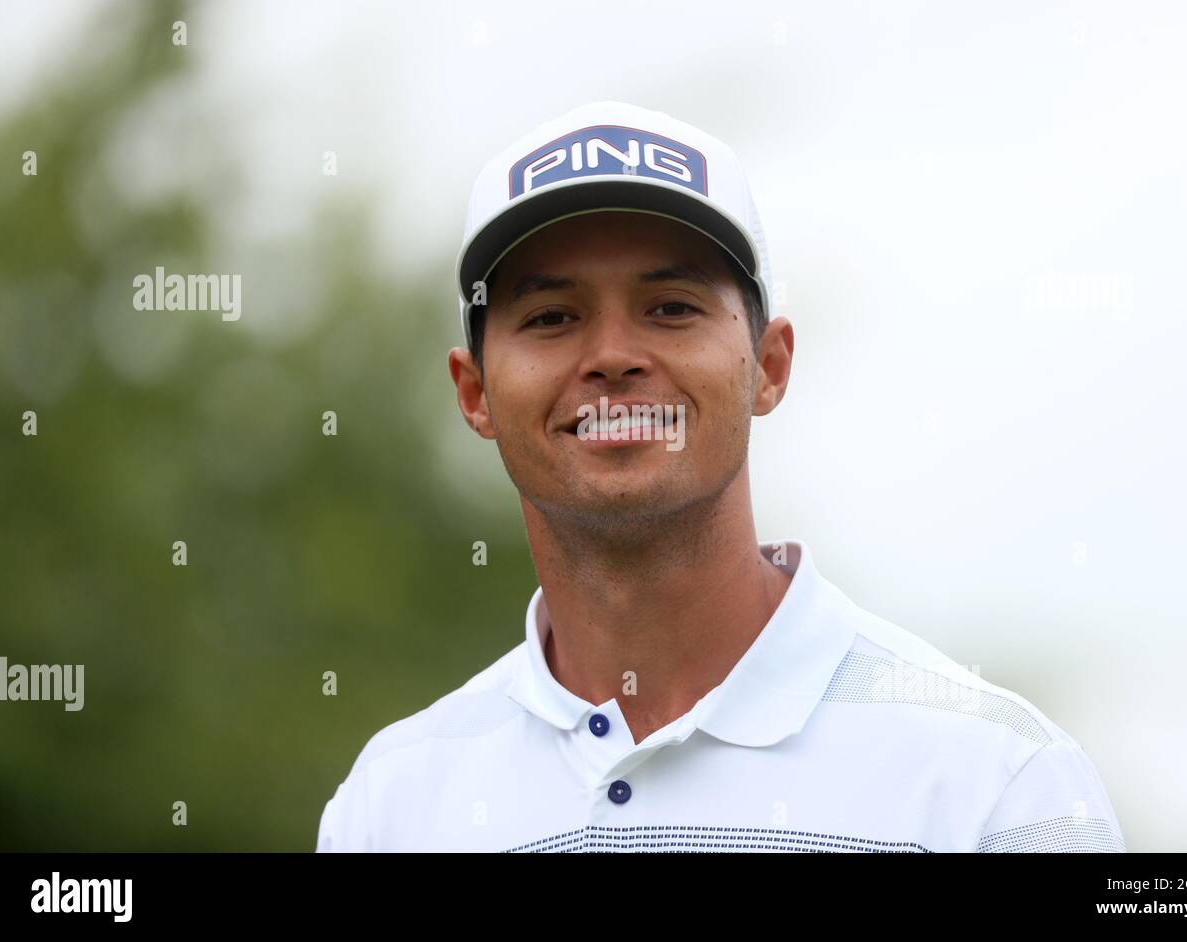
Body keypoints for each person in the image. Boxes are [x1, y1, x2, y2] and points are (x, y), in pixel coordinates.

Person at [316, 101, 1125, 852]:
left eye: (671, 307)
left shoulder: (1000, 785)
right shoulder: (391, 807)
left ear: (768, 366)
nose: (611, 358)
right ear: (475, 392)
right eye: (552, 317)